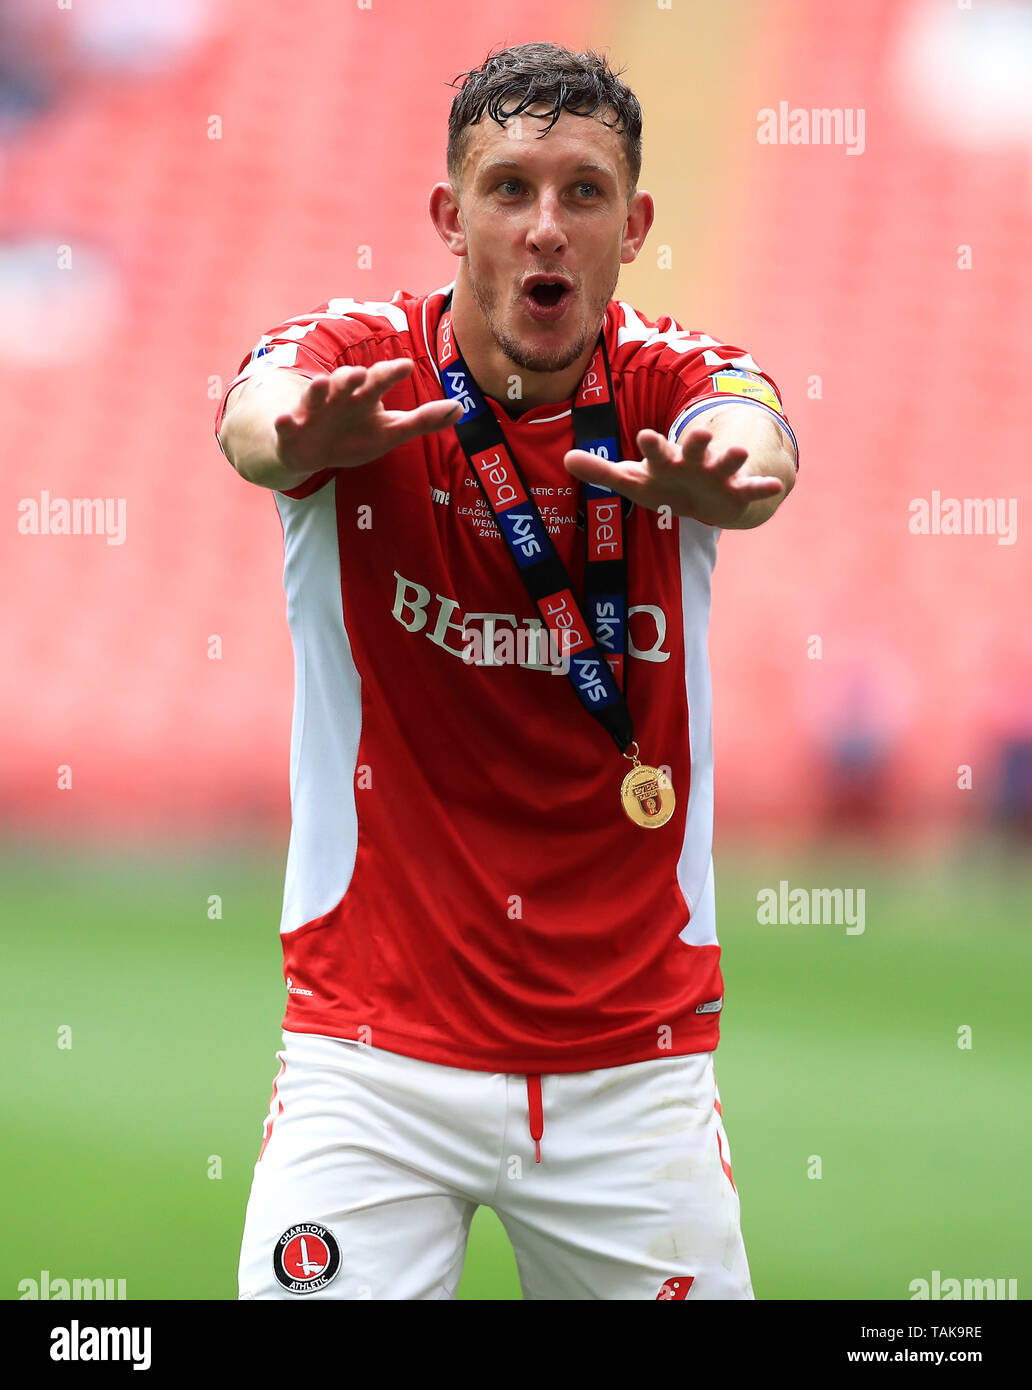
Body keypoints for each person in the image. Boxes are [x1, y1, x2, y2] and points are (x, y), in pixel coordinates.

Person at [216, 41, 798, 1301]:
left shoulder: (663, 382)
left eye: (584, 192)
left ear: (634, 223)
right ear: (448, 215)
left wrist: (733, 473)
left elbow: (752, 427)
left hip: (630, 1066)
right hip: (372, 1056)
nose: (547, 226)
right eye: (510, 188)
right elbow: (258, 415)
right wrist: (290, 438)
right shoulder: (360, 366)